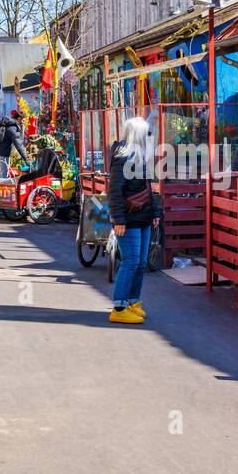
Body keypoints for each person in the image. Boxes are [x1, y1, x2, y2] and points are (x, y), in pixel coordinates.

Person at [107, 116, 159, 324]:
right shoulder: (123, 158)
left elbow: (148, 189)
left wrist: (155, 212)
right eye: (147, 133)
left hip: (143, 218)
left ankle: (132, 301)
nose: (150, 137)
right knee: (130, 261)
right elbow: (114, 192)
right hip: (128, 220)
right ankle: (119, 308)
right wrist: (118, 220)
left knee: (140, 263)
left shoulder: (140, 156)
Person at [0, 109, 31, 178]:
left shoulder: (5, 122)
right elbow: (19, 144)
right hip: (3, 153)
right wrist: (26, 159)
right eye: (23, 120)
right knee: (4, 174)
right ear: (19, 118)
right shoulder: (12, 127)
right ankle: (3, 185)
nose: (24, 122)